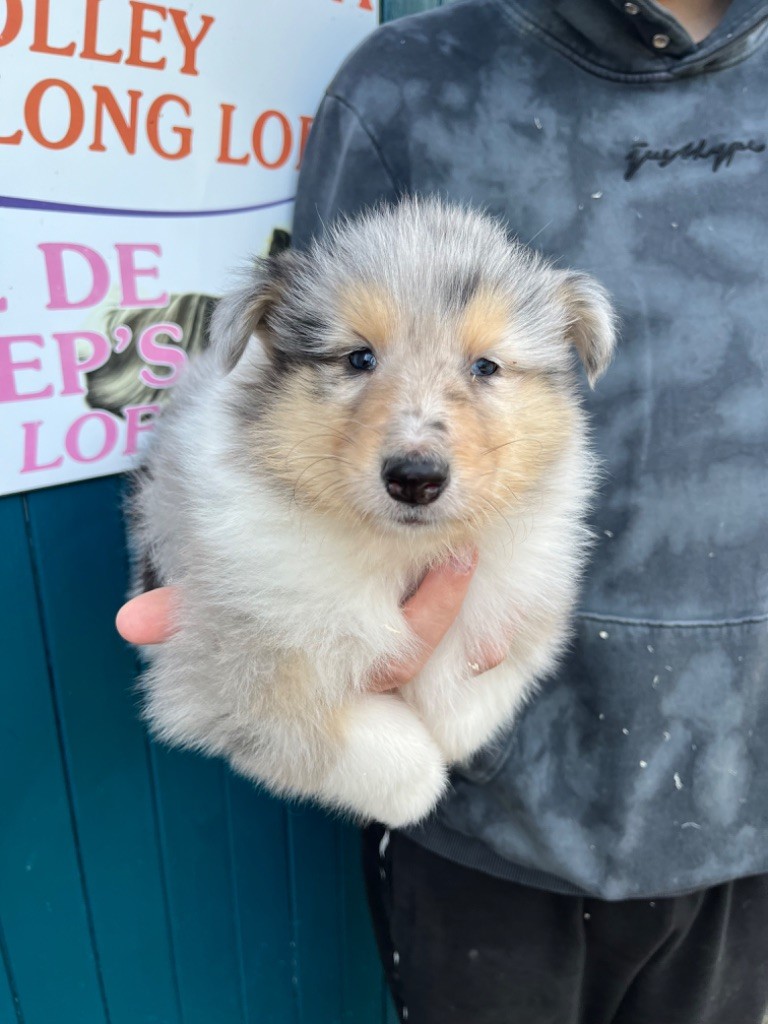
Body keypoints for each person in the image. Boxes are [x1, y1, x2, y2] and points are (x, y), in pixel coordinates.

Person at [117, 0, 768, 1020]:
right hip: (491, 831)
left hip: (748, 798)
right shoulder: (410, 85)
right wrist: (211, 584)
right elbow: (288, 387)